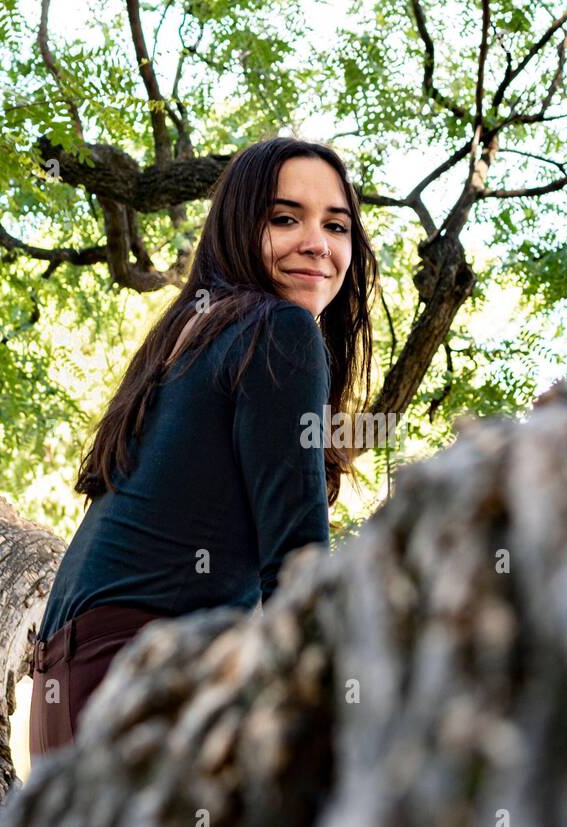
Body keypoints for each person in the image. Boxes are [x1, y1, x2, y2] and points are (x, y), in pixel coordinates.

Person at [28, 138, 379, 757]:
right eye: (284, 218)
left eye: (336, 225)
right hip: (144, 681)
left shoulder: (195, 332)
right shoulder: (277, 329)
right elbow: (297, 563)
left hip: (73, 680)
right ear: (240, 226)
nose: (317, 244)